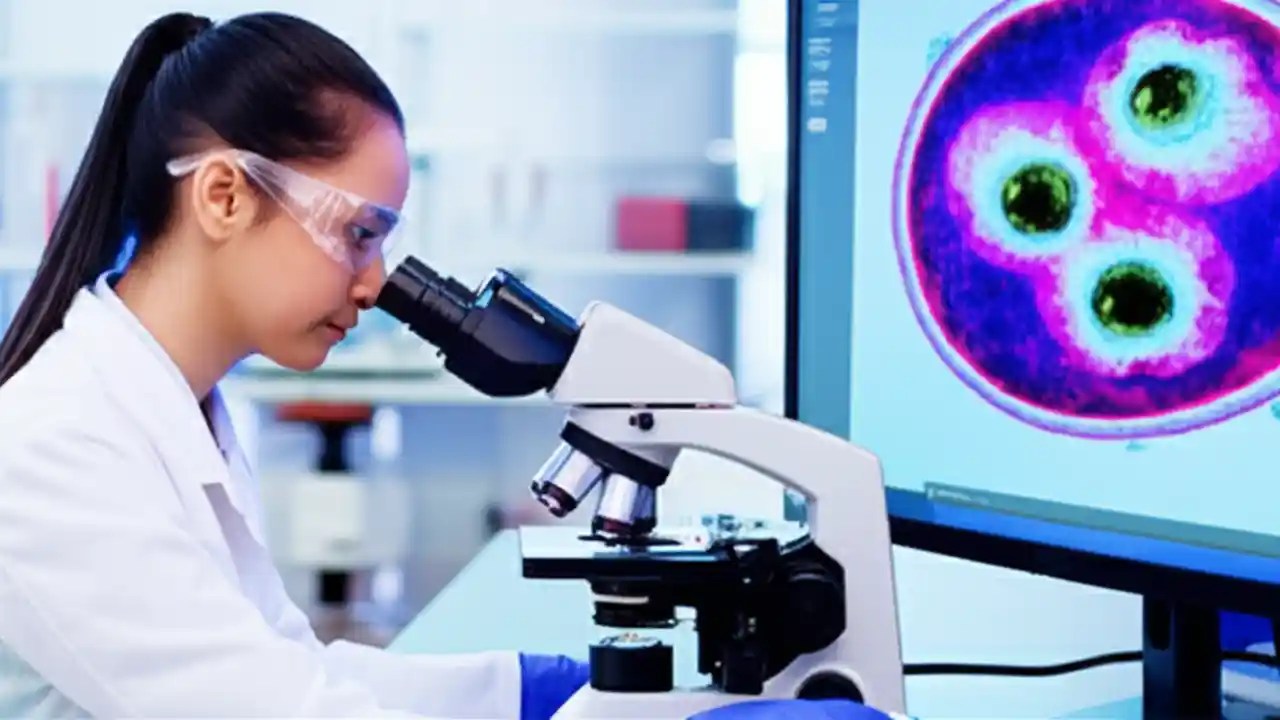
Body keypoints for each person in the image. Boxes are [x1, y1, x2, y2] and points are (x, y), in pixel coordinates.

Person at [0, 9, 896, 720]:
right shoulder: (55, 448)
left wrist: (519, 693)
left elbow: (287, 671)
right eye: (357, 233)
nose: (376, 281)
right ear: (225, 196)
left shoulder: (172, 409)